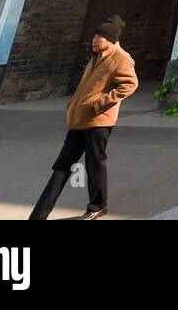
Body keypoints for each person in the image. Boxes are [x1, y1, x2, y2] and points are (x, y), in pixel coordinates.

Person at [28, 15, 138, 220]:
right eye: (94, 36)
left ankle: (97, 206)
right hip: (79, 121)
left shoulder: (121, 58)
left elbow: (130, 84)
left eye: (100, 37)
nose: (95, 40)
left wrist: (99, 104)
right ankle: (38, 215)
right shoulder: (96, 57)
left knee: (94, 165)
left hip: (98, 122)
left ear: (111, 39)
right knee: (62, 167)